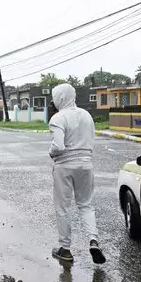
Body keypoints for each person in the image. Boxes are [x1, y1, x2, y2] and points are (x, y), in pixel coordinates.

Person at [48, 83, 106, 264]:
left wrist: (51, 152)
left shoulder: (58, 118)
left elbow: (58, 146)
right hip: (86, 165)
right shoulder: (87, 115)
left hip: (64, 166)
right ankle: (93, 240)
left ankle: (65, 249)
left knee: (63, 207)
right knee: (86, 205)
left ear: (60, 98)